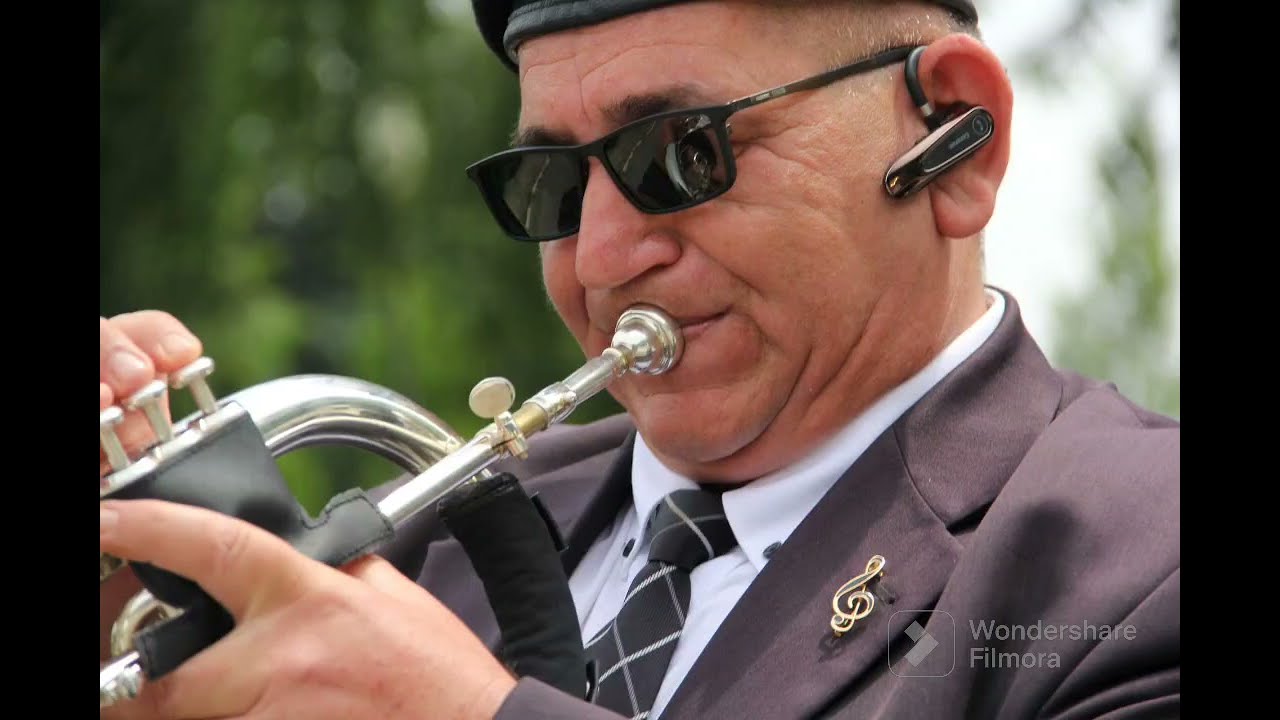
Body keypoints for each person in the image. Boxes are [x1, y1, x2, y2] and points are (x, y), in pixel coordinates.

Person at [98, 0, 1181, 718]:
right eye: (552, 187)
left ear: (952, 138)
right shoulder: (433, 546)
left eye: (680, 153)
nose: (602, 258)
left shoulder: (1138, 566)